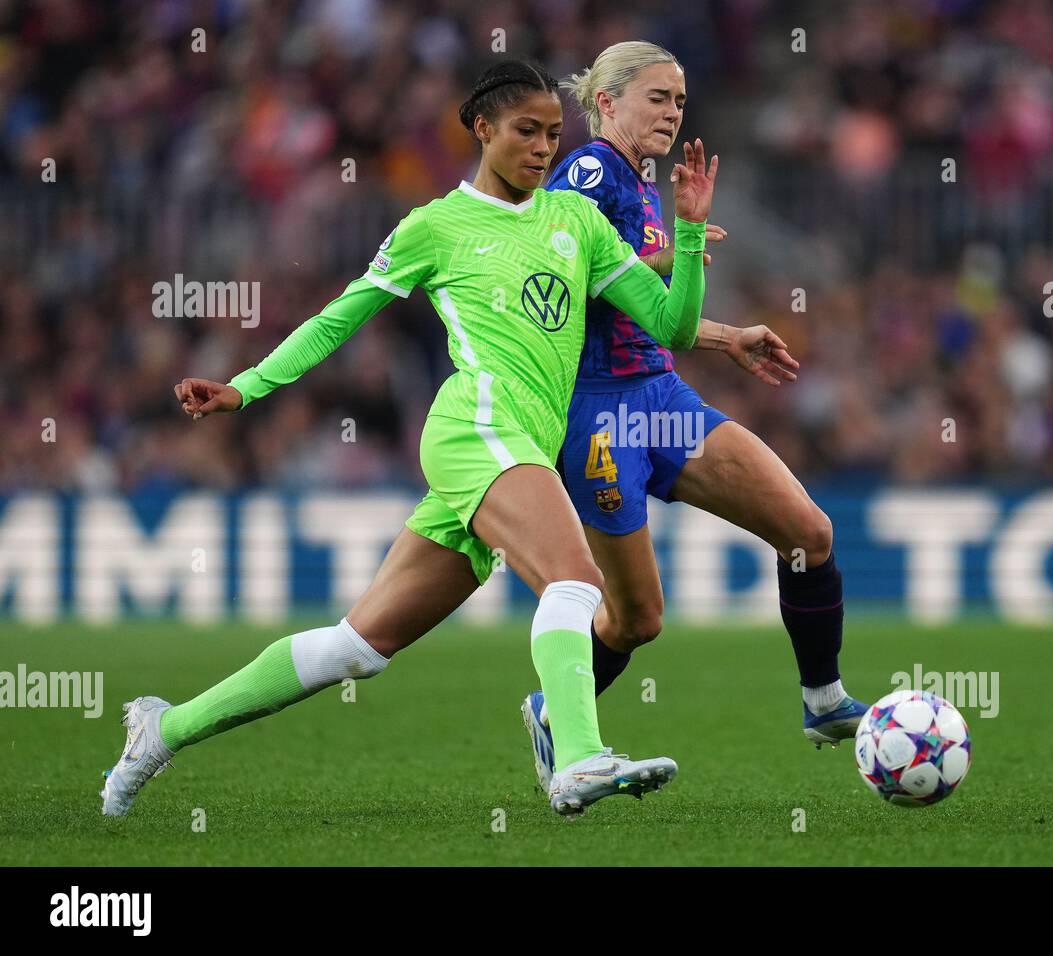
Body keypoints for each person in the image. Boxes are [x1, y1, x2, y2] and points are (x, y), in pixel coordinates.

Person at [100, 59, 719, 818]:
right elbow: (342, 315)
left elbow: (674, 327)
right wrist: (247, 386)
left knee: (357, 649)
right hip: (476, 428)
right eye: (526, 131)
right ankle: (581, 758)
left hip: (521, 445)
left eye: (554, 135)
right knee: (576, 577)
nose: (543, 149)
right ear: (482, 129)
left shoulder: (578, 223)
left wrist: (686, 233)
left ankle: (161, 731)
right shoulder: (436, 226)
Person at [521, 42, 865, 793]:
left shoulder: (641, 186)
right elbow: (561, 275)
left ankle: (824, 700)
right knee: (637, 619)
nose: (673, 114)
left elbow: (647, 310)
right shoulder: (586, 173)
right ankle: (553, 716)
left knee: (807, 533)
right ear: (607, 101)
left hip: (661, 397)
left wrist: (724, 334)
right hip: (597, 414)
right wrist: (669, 251)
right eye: (657, 98)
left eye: (679, 102)